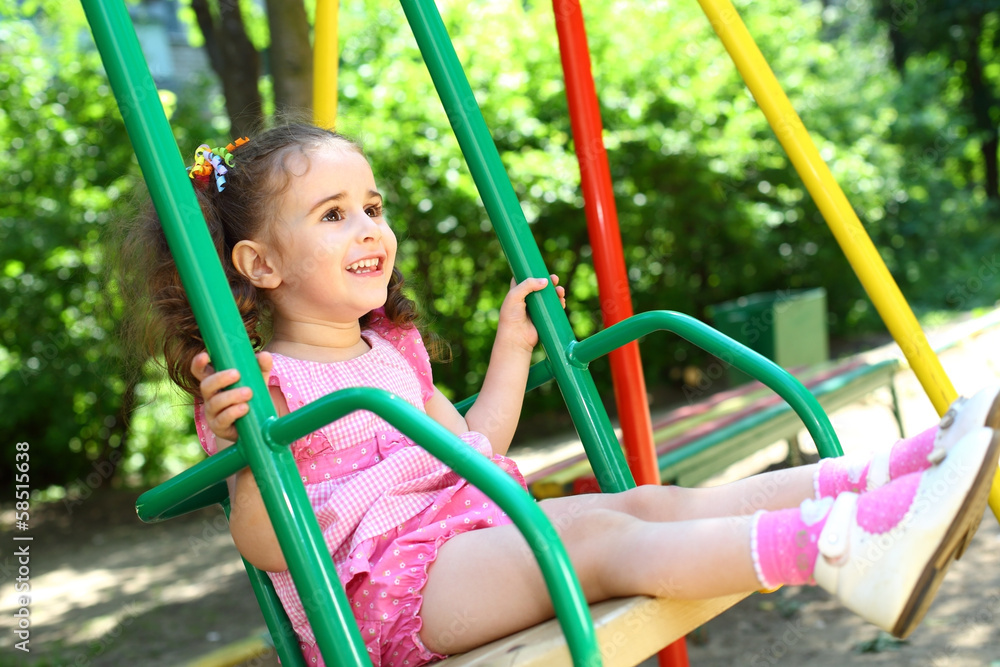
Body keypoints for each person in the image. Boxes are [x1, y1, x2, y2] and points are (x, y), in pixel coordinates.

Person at [128, 123, 1000, 667]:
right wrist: (247, 460)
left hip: (466, 538)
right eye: (333, 214)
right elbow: (268, 545)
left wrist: (511, 349)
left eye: (373, 205)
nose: (370, 228)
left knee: (646, 504)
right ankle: (842, 549)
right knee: (595, 544)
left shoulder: (390, 351)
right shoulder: (258, 387)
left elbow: (475, 445)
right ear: (260, 265)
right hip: (386, 599)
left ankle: (900, 473)